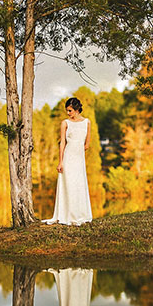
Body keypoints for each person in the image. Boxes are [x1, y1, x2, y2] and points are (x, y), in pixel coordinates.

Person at [45, 96, 92, 225]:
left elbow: (87, 144)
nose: (68, 113)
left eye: (70, 110)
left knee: (78, 184)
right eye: (67, 110)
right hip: (68, 157)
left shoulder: (87, 122)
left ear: (77, 109)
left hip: (79, 159)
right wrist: (60, 162)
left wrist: (78, 153)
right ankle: (68, 214)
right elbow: (62, 143)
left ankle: (80, 214)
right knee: (68, 184)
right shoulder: (65, 123)